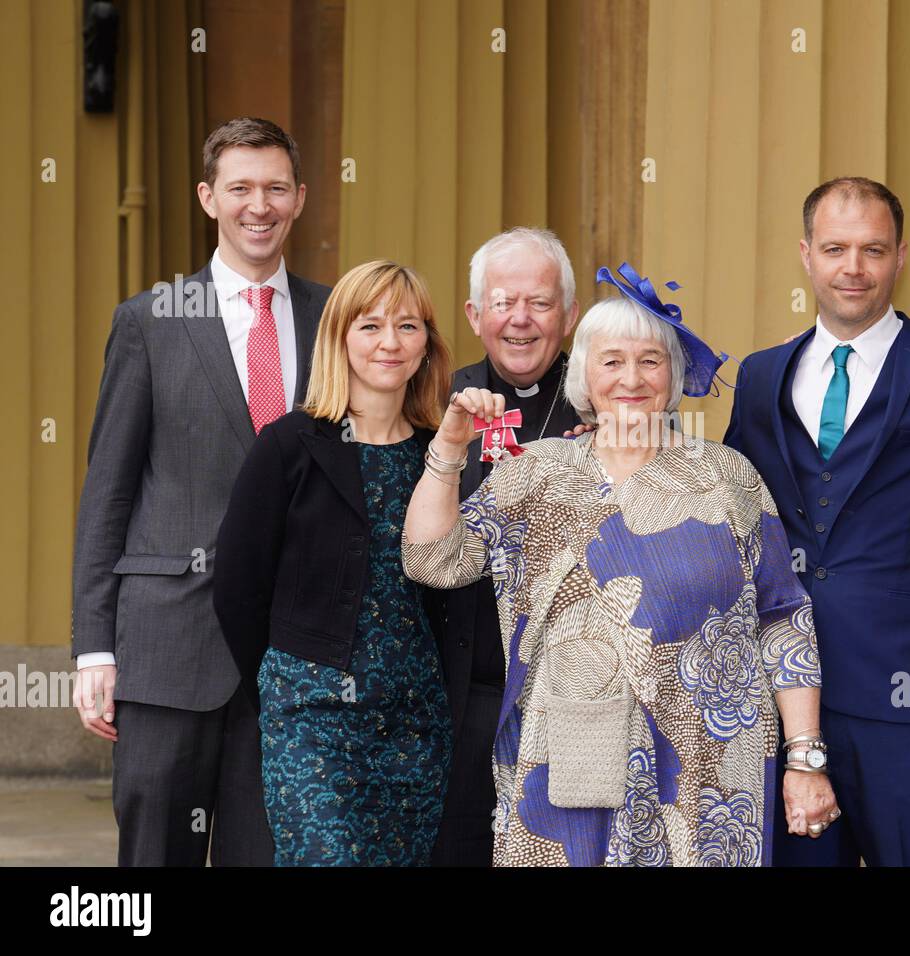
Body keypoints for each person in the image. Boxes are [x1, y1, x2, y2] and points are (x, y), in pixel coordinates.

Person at [403, 264, 837, 866]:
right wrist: (450, 445)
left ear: (675, 374)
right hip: (568, 749)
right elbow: (431, 561)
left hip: (709, 765)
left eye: (651, 361)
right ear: (584, 374)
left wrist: (804, 755)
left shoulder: (727, 476)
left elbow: (783, 617)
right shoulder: (537, 472)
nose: (631, 378)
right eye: (611, 361)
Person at [71, 117, 330, 866]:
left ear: (301, 198)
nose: (260, 205)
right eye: (241, 187)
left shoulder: (337, 319)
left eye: (276, 188)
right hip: (163, 651)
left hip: (289, 661)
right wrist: (94, 649)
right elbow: (107, 496)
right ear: (208, 197)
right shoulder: (150, 320)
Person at [724, 177, 910, 867]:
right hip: (782, 706)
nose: (854, 267)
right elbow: (719, 509)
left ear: (900, 256)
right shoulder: (761, 376)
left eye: (872, 250)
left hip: (909, 703)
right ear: (806, 255)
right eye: (836, 248)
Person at [213, 260, 455, 866]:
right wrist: (286, 681)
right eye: (370, 326)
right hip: (312, 716)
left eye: (407, 326)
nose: (390, 343)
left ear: (427, 343)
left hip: (415, 717)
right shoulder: (288, 446)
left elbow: (456, 583)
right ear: (339, 337)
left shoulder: (442, 453)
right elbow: (238, 590)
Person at [429, 227, 583, 865]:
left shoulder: (606, 395)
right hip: (458, 688)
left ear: (569, 315)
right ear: (474, 314)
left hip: (569, 691)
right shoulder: (432, 397)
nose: (520, 320)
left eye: (541, 304)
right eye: (502, 302)